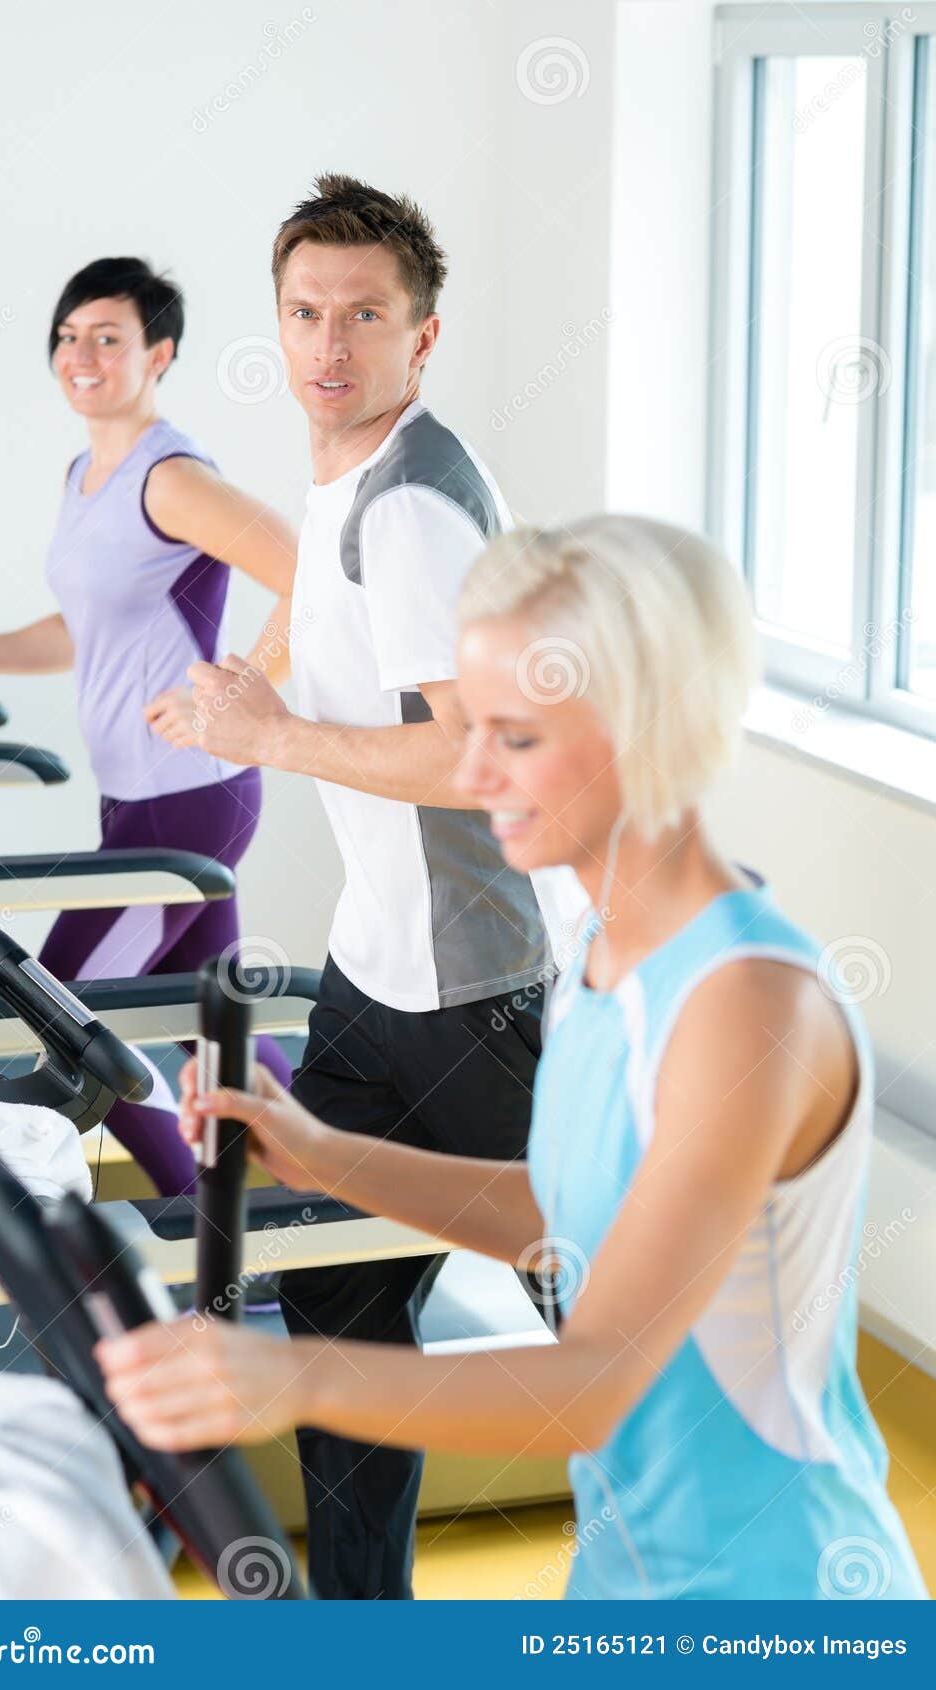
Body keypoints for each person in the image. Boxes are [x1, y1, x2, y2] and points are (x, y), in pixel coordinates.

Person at [97, 515, 927, 1601]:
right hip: (631, 1577)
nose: (473, 771)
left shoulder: (744, 1002)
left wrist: (286, 1375)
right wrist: (318, 1152)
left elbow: (594, 1385)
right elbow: (569, 1214)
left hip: (780, 1598)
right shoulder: (601, 956)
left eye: (517, 736)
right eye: (470, 726)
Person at [158, 176, 557, 1600]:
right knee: (338, 1321)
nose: (331, 344)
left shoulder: (416, 511)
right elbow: (325, 616)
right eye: (307, 313)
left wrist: (264, 737)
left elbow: (478, 749)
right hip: (368, 979)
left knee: (599, 1297)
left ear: (423, 335)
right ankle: (360, 1634)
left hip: (472, 995)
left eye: (365, 316)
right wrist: (245, 683)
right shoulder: (349, 479)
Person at [0, 257, 294, 1196]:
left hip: (184, 799)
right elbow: (82, 629)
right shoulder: (86, 474)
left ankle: (209, 1241)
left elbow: (311, 573)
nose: (81, 353)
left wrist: (230, 692)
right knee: (213, 1012)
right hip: (142, 798)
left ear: (158, 354)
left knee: (68, 1018)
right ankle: (334, 1195)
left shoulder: (172, 476)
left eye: (108, 337)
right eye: (70, 335)